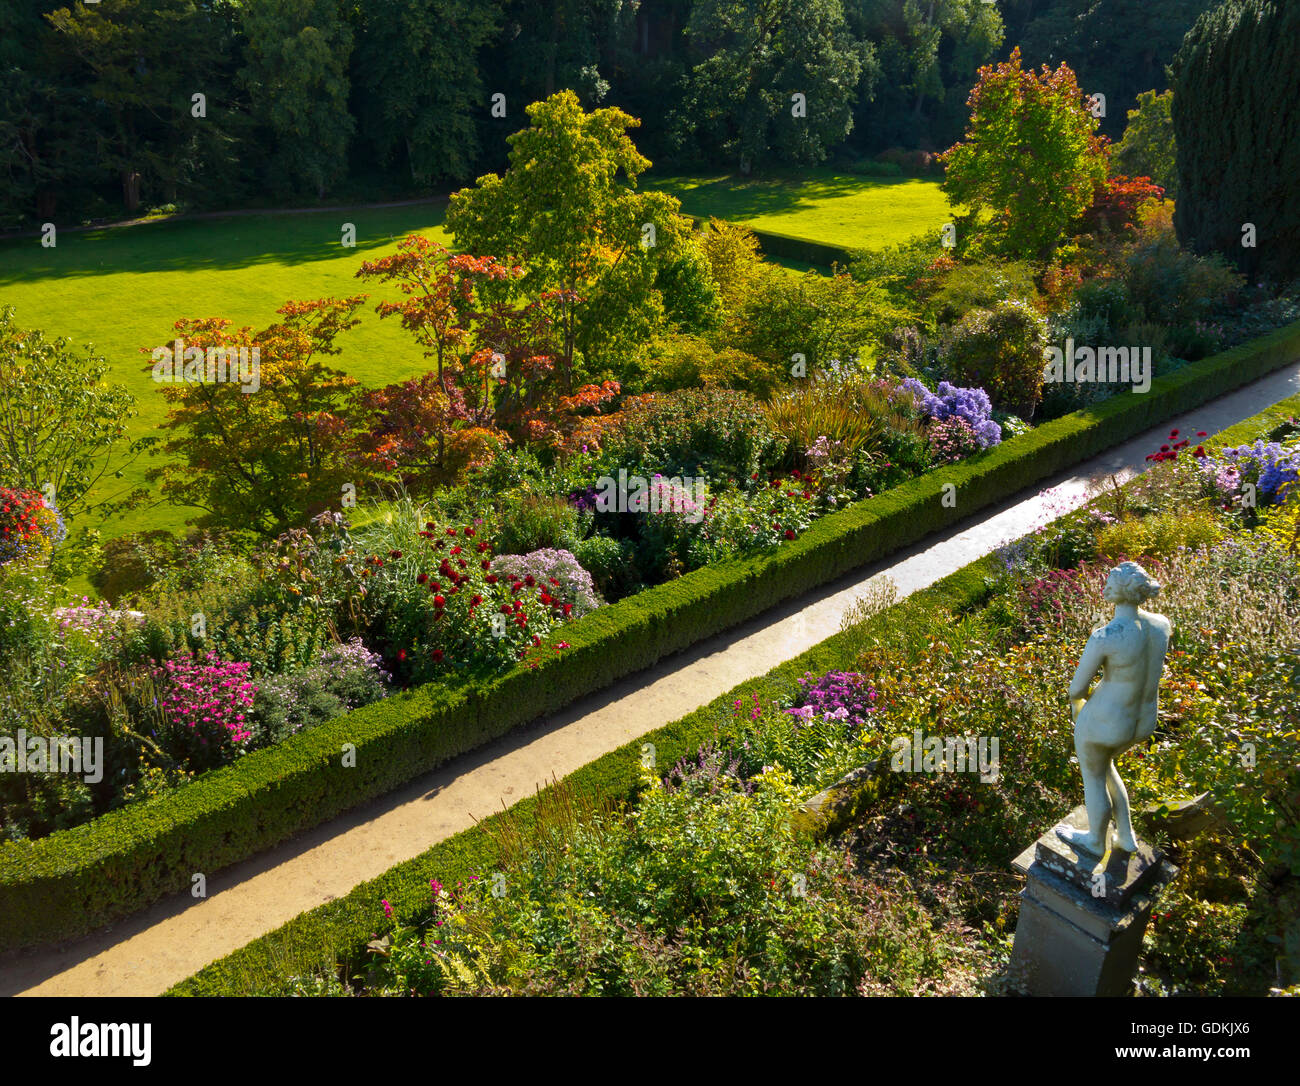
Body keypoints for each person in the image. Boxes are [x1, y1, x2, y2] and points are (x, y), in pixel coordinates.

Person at [1057, 561, 1172, 856]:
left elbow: (1076, 690)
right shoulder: (1161, 625)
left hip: (1106, 721)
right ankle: (1126, 835)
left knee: (1094, 775)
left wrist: (1077, 706)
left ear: (1122, 591)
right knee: (1107, 767)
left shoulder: (1105, 636)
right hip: (1144, 721)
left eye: (1110, 582)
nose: (1104, 586)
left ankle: (1096, 841)